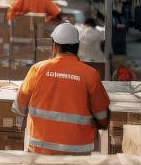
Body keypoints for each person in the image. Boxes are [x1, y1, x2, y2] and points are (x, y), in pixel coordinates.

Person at [12, 23, 110, 155]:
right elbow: (103, 118)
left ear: (55, 46)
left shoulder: (38, 69)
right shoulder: (90, 74)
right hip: (78, 155)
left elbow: (19, 107)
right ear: (77, 46)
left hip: (40, 151)